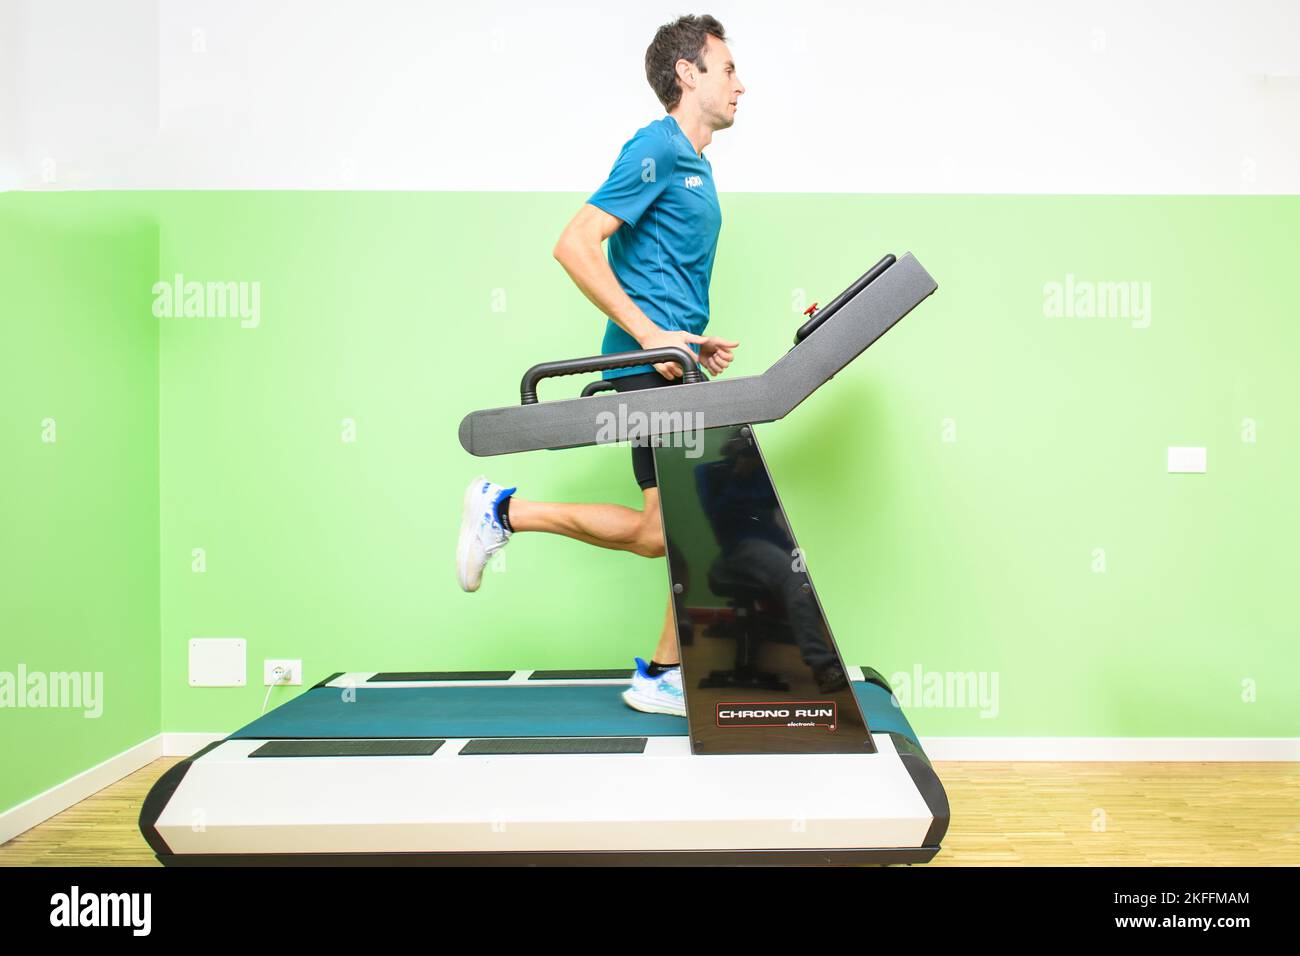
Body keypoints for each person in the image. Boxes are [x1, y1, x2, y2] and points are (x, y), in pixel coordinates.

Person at [456, 14, 745, 717]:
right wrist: (652, 338)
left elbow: (656, 272)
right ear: (687, 74)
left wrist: (684, 339)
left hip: (669, 365)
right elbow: (576, 243)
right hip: (651, 371)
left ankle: (503, 510)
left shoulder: (697, 166)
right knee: (701, 524)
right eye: (727, 68)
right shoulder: (658, 147)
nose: (742, 83)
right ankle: (664, 673)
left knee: (662, 531)